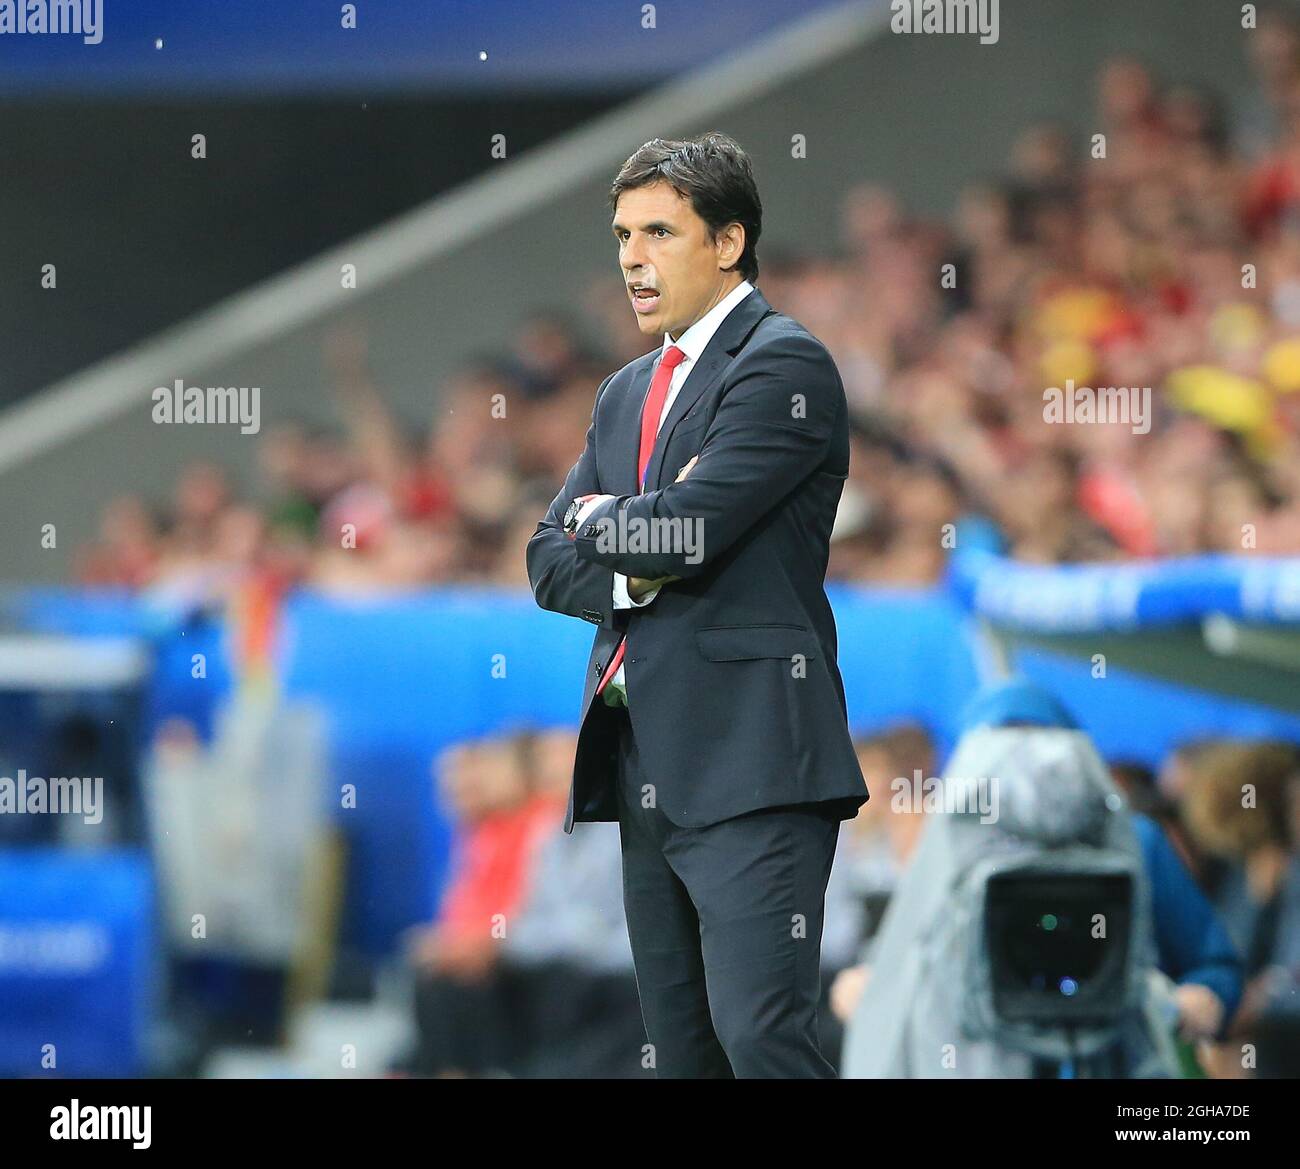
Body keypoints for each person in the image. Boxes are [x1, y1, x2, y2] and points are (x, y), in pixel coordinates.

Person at [526, 132, 868, 1078]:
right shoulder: (625, 390)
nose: (632, 257)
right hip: (645, 765)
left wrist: (615, 525)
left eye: (659, 232)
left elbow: (688, 530)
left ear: (728, 241)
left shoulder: (782, 364)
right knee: (683, 1055)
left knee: (761, 1040)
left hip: (755, 758)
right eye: (623, 234)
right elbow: (546, 560)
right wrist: (626, 542)